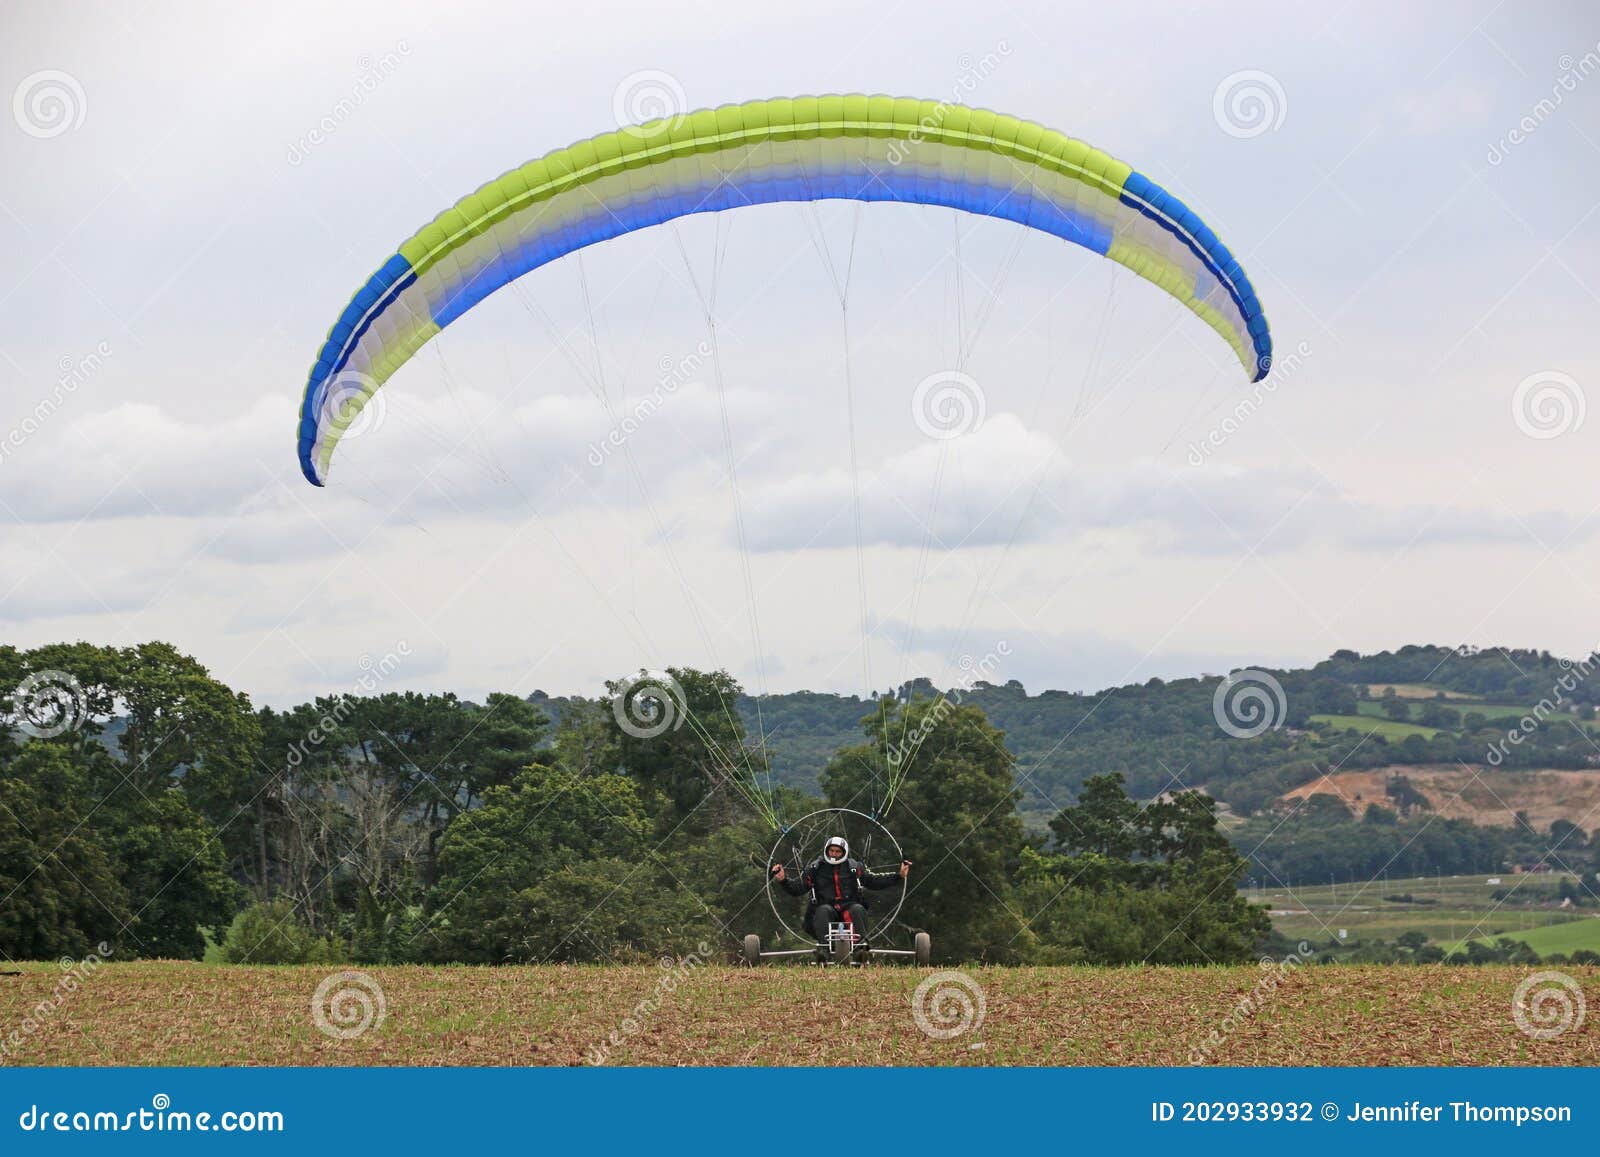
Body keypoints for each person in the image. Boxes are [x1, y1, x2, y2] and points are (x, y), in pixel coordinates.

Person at [771, 836, 910, 947]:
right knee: (823, 910)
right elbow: (797, 888)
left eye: (838, 852)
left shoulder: (854, 867)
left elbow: (873, 881)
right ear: (826, 851)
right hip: (825, 908)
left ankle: (860, 947)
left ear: (844, 853)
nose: (834, 854)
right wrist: (783, 880)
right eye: (831, 851)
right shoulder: (815, 868)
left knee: (857, 909)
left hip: (849, 907)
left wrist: (898, 876)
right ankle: (825, 947)